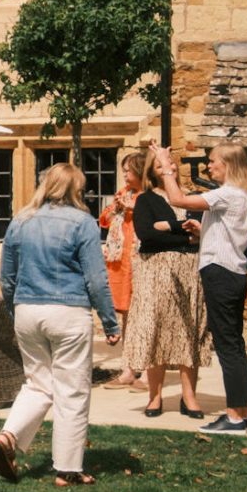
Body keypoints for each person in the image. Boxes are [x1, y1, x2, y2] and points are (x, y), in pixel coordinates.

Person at [0, 164, 118, 487]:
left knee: (37, 383)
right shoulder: (83, 223)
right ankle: (68, 470)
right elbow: (96, 279)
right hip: (68, 310)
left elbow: (6, 277)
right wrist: (110, 321)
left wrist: (16, 309)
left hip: (28, 308)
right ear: (76, 190)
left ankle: (8, 437)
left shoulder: (21, 220)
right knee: (71, 389)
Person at [150, 141, 247, 435]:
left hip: (221, 274)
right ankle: (242, 412)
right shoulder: (245, 198)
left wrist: (166, 165)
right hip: (234, 272)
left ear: (229, 165)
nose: (209, 166)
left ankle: (234, 417)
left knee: (227, 346)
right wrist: (202, 231)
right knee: (233, 343)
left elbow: (178, 200)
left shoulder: (227, 194)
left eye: (213, 161)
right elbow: (230, 235)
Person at [124, 153, 208, 420]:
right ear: (152, 170)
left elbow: (206, 232)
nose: (165, 167)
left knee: (188, 331)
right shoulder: (147, 199)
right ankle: (155, 395)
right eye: (159, 164)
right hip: (156, 271)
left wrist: (170, 229)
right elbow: (147, 235)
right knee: (156, 329)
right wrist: (184, 234)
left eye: (169, 162)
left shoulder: (193, 198)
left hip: (189, 271)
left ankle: (189, 396)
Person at [97, 152, 147, 390]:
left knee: (145, 317)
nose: (125, 174)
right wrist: (116, 208)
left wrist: (135, 209)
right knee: (128, 316)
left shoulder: (151, 196)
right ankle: (128, 369)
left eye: (128, 170)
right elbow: (104, 220)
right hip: (121, 261)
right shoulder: (123, 194)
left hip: (141, 260)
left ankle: (146, 371)